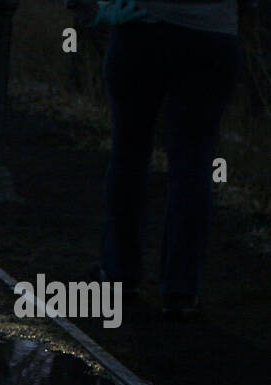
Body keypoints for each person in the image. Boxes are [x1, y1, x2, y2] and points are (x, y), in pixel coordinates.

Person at [67, 0, 241, 320]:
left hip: (142, 27)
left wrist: (88, 10)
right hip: (212, 36)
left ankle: (119, 273)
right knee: (194, 164)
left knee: (129, 153)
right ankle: (181, 290)